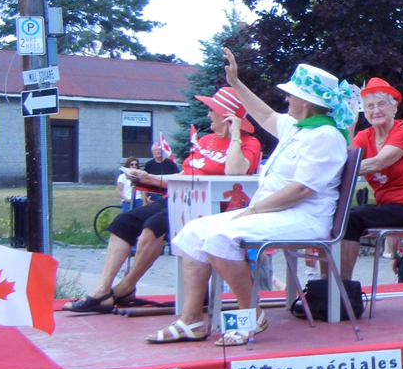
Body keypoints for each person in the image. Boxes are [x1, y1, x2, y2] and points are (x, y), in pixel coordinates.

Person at [152, 60, 359, 344]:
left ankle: (250, 316)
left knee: (222, 238)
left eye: (291, 94)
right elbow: (263, 113)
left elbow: (301, 191)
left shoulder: (325, 135)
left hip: (305, 218)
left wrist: (252, 210)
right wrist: (236, 83)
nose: (286, 98)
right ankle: (191, 321)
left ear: (307, 101)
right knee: (193, 232)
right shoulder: (299, 127)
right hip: (277, 213)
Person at [63, 87, 262, 313]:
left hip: (212, 208)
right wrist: (151, 178)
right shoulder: (205, 140)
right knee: (123, 222)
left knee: (154, 226)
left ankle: (125, 287)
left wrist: (235, 134)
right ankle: (102, 289)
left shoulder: (249, 143)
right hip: (180, 199)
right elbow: (185, 176)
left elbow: (236, 172)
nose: (208, 115)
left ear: (227, 116)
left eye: (212, 111)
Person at [342, 77, 403, 280]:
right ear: (364, 112)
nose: (376, 110)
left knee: (350, 218)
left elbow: (379, 163)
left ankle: (341, 287)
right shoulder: (364, 136)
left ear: (394, 109)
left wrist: (340, 168)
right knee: (339, 213)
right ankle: (329, 283)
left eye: (381, 104)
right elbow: (348, 157)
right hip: (391, 207)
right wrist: (350, 126)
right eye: (370, 106)